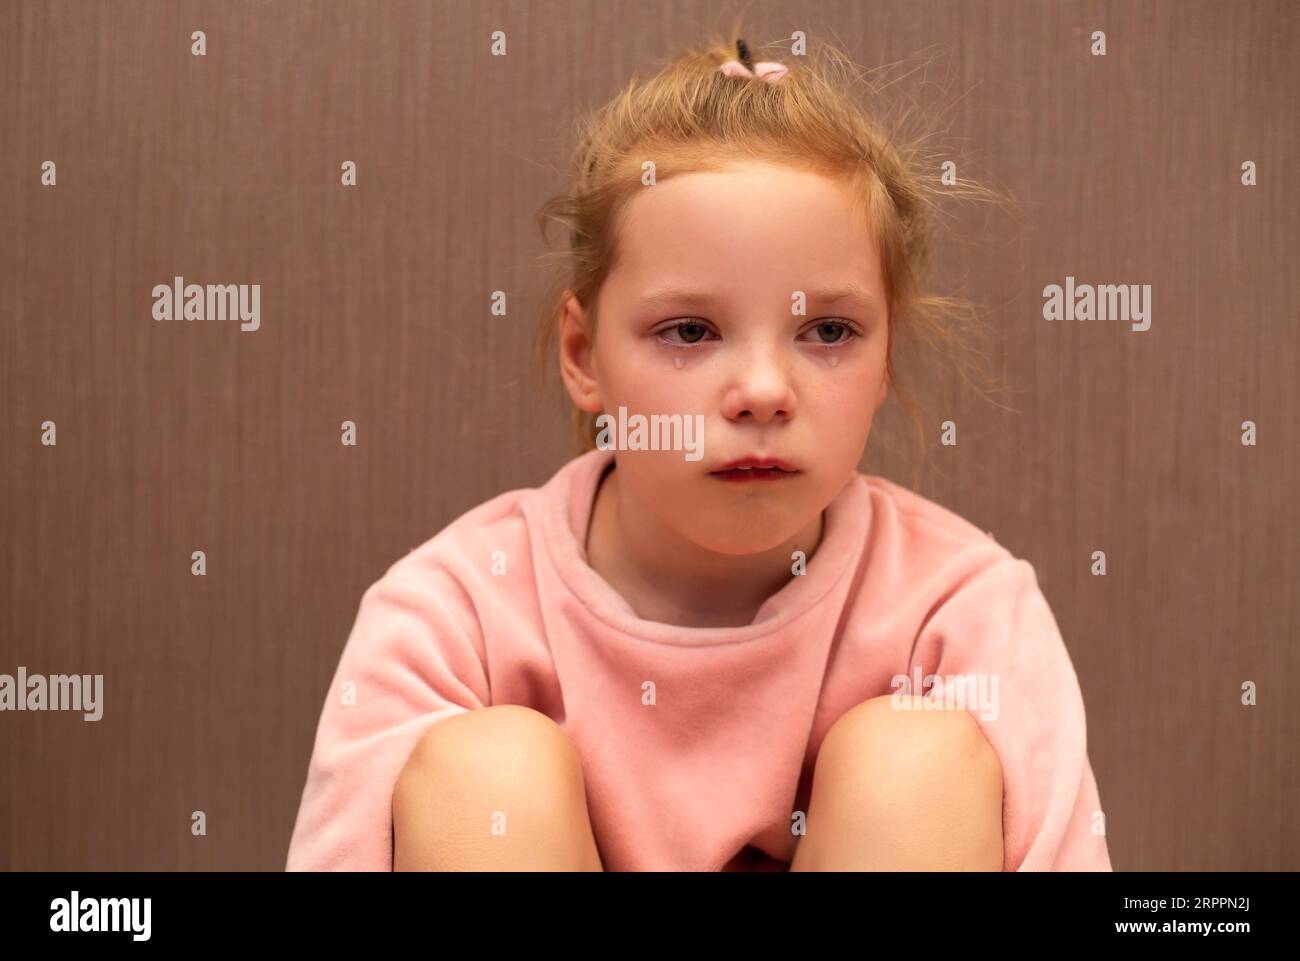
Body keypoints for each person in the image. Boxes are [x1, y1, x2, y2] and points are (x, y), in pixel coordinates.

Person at [285, 34, 1112, 873]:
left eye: (828, 331)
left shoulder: (958, 613)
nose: (762, 389)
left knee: (918, 763)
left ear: (886, 358)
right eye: (689, 330)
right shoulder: (450, 616)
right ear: (583, 355)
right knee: (482, 772)